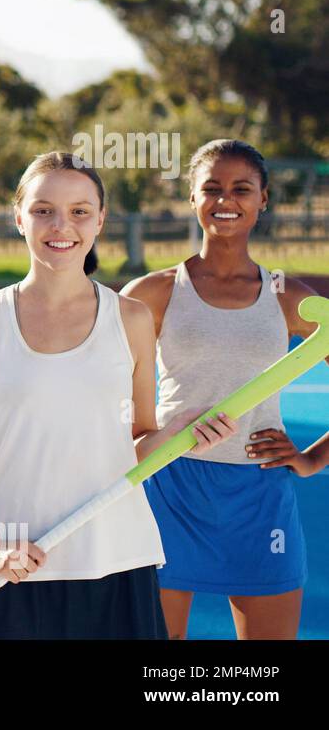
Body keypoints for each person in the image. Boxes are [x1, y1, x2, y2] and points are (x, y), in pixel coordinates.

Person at [0, 151, 237, 639]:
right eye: (43, 209)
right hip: (8, 567)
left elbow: (136, 447)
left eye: (79, 211)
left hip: (115, 560)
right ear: (19, 217)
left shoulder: (131, 319)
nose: (60, 225)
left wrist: (181, 436)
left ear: (100, 221)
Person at [123, 139, 329, 640]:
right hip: (169, 488)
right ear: (192, 198)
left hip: (260, 495)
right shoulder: (153, 292)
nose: (225, 200)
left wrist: (311, 458)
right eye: (211, 188)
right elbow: (107, 393)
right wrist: (136, 444)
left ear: (264, 199)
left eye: (241, 188)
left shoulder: (290, 296)